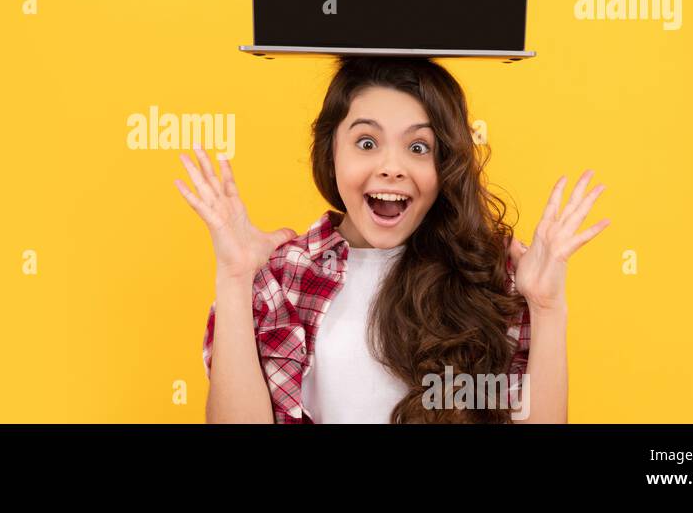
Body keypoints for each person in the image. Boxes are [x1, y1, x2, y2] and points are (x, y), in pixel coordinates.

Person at [174, 56, 610, 423]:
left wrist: (547, 308)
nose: (391, 167)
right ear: (331, 153)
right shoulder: (284, 276)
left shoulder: (491, 278)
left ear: (445, 166)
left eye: (418, 148)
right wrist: (233, 280)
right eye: (366, 142)